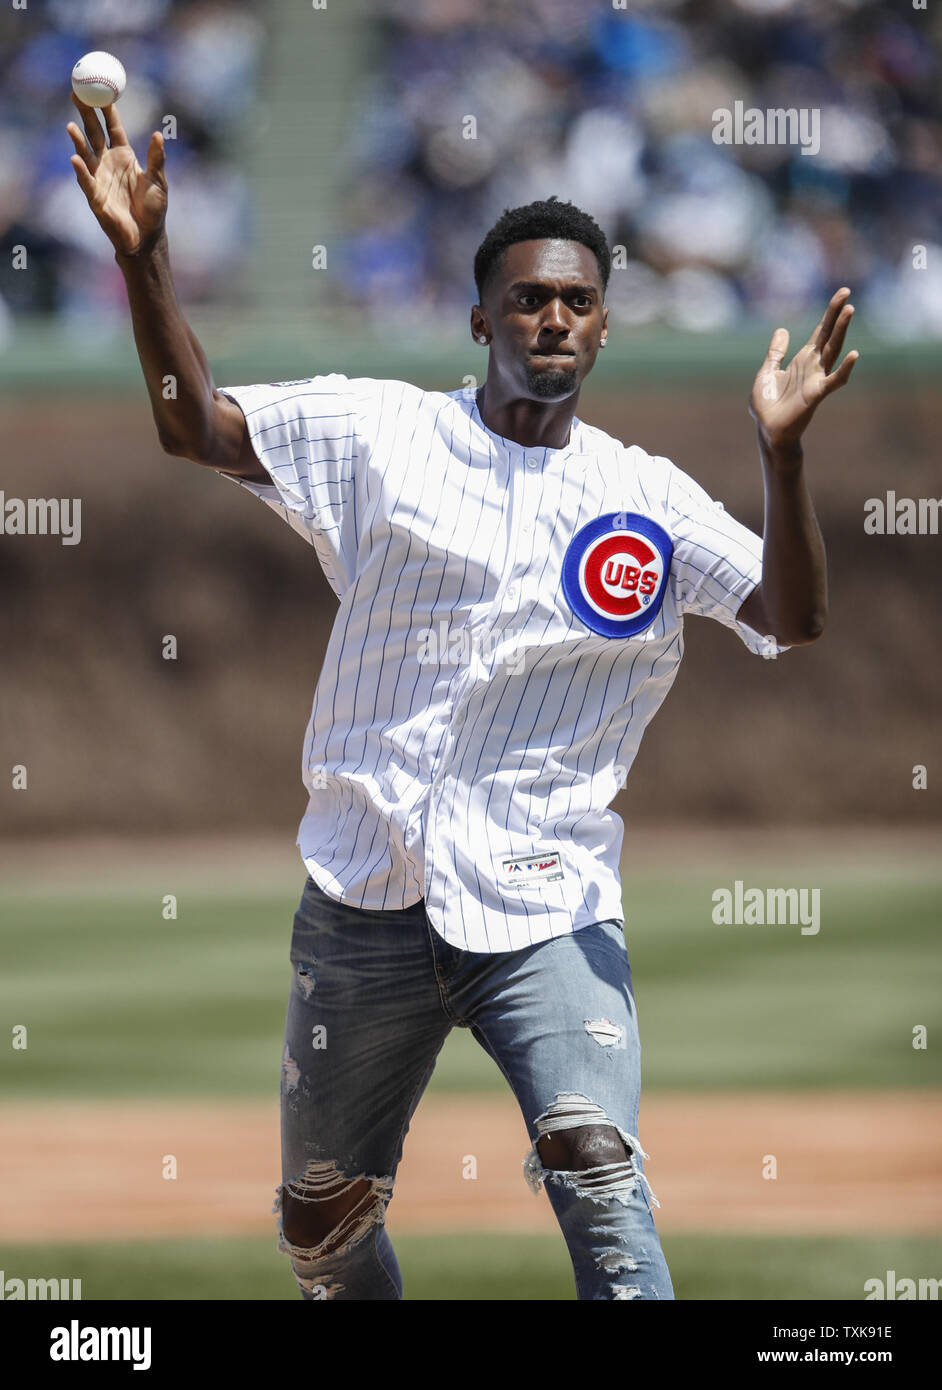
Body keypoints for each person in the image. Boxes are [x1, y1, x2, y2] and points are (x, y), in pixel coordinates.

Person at [67, 94, 857, 1301]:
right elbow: (198, 431)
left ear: (604, 331)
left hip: (548, 902)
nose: (554, 317)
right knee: (322, 1227)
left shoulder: (643, 497)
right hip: (363, 894)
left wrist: (783, 453)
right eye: (531, 298)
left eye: (578, 301)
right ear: (481, 316)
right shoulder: (382, 430)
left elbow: (790, 618)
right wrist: (144, 256)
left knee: (597, 1165)